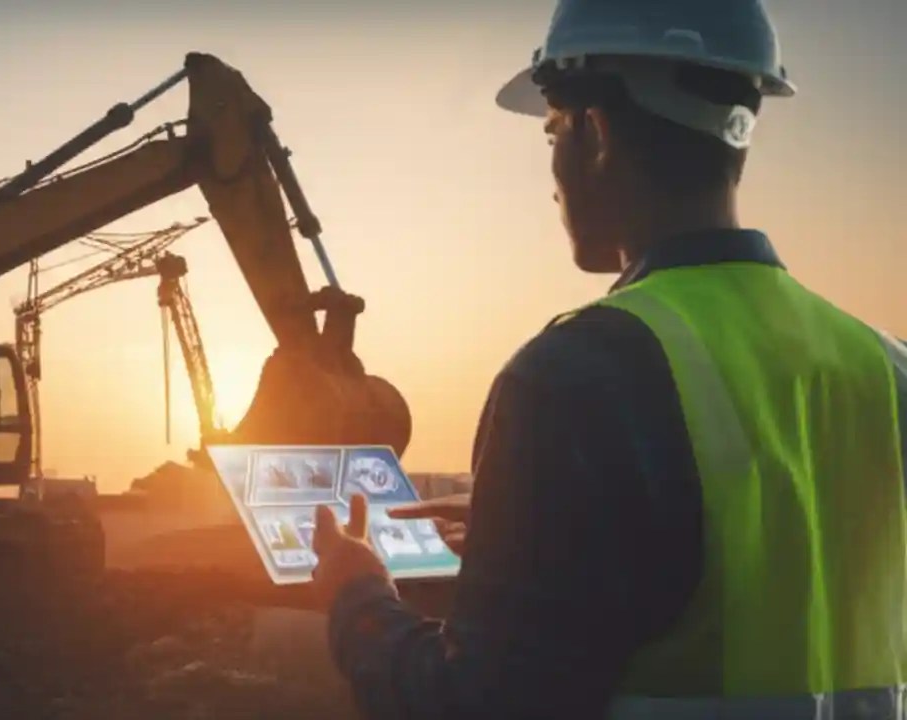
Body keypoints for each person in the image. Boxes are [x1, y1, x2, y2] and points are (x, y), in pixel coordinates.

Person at [310, 1, 907, 718]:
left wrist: (357, 594)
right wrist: (546, 550)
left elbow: (475, 703)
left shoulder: (572, 378)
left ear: (592, 133)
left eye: (551, 131)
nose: (551, 175)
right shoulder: (885, 366)